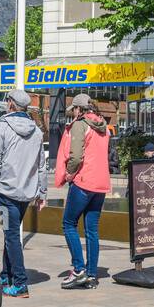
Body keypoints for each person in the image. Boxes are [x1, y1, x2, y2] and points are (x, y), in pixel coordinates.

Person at [0, 89, 46, 298]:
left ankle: (20, 283)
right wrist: (42, 192)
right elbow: (41, 165)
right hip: (26, 192)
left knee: (10, 235)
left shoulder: (1, 127)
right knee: (12, 233)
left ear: (10, 104)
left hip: (5, 191)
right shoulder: (37, 131)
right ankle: (6, 275)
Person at [54, 93, 111, 290]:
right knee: (92, 230)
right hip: (101, 184)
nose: (73, 114)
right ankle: (92, 275)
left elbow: (76, 156)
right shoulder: (104, 126)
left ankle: (78, 270)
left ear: (79, 110)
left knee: (68, 223)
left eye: (74, 110)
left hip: (83, 181)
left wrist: (69, 174)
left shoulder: (80, 125)